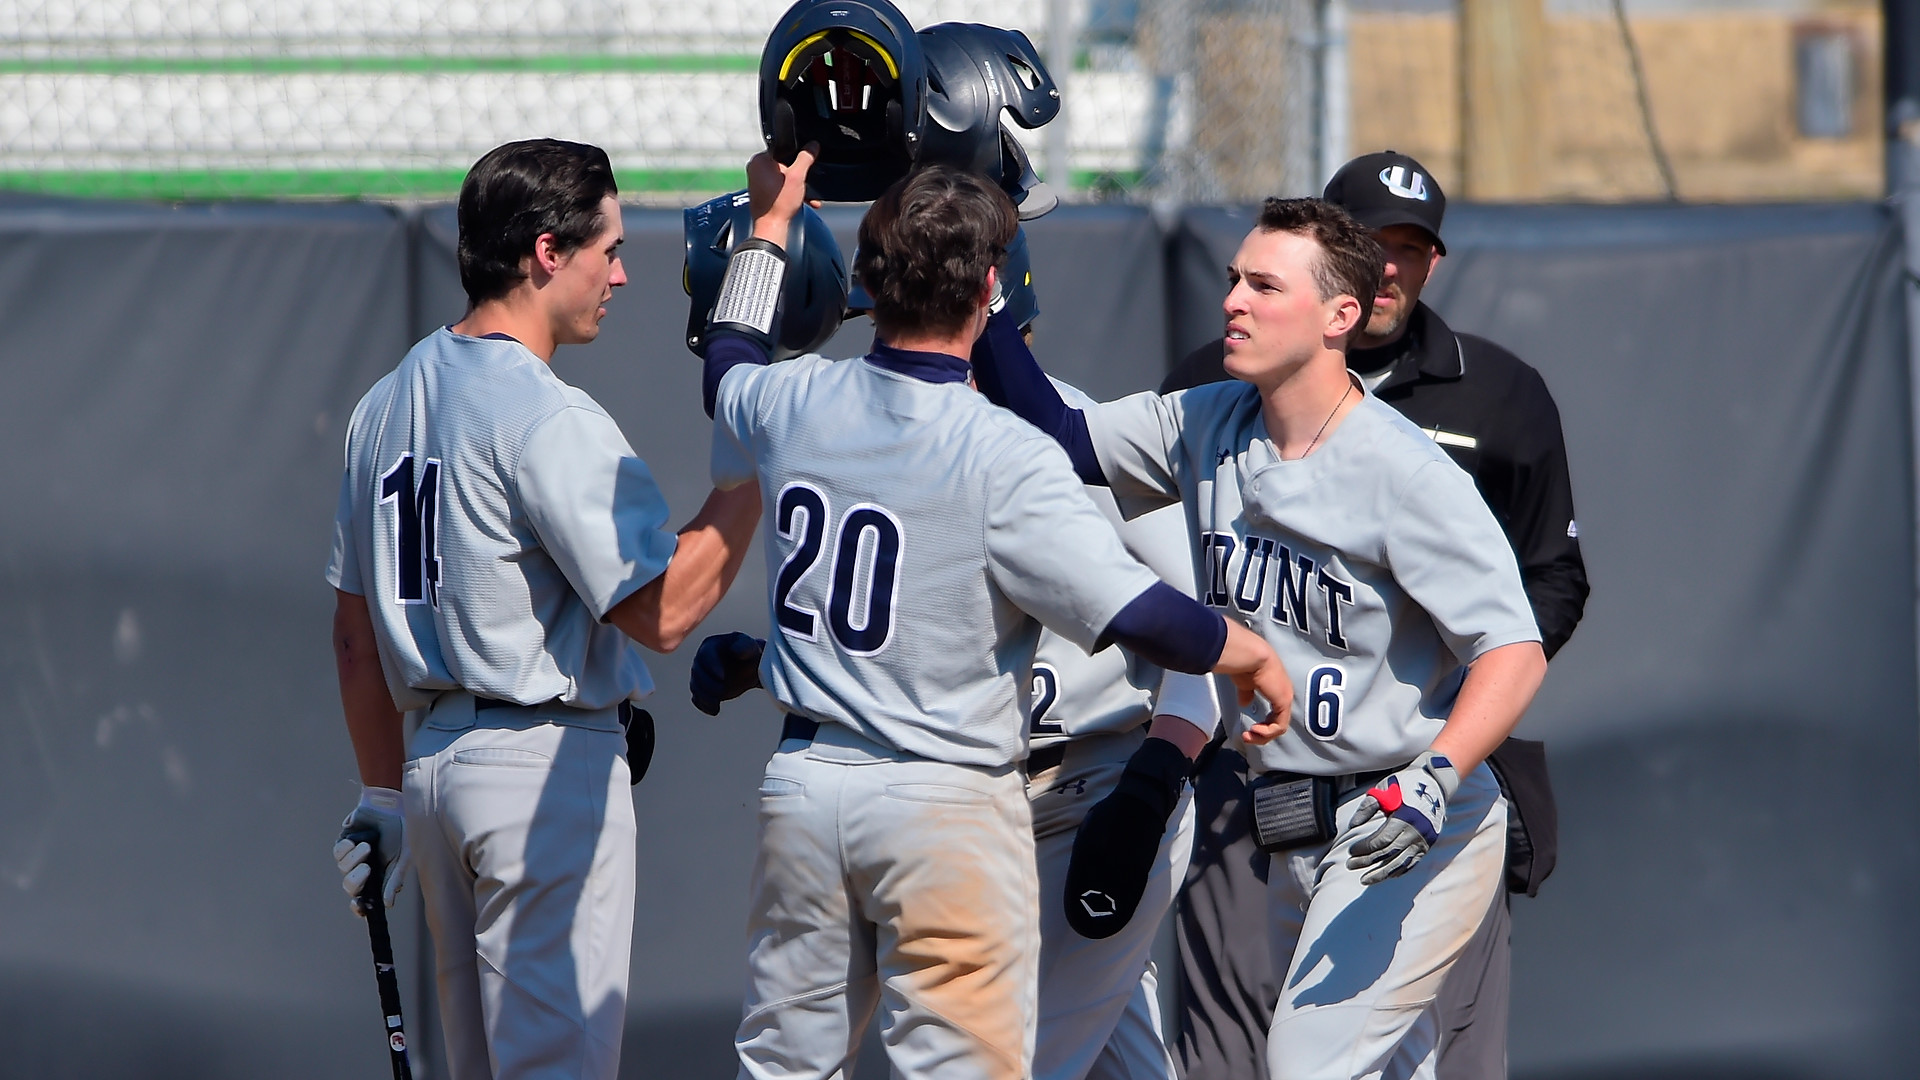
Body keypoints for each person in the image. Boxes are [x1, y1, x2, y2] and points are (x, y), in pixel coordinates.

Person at [690, 149, 1292, 1080]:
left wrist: (770, 228)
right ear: (989, 290)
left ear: (867, 280)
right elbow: (1139, 611)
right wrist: (1244, 650)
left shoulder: (796, 396)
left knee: (782, 1065)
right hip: (944, 799)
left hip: (809, 788)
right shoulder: (1007, 450)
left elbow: (729, 352)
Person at [970, 195, 1549, 1080]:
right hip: (1293, 819)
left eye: (1265, 285)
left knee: (1310, 1063)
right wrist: (991, 279)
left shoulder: (1403, 471)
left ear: (1338, 316)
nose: (1234, 299)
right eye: (1234, 279)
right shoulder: (1209, 419)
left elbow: (1513, 649)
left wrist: (1438, 777)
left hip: (1412, 817)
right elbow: (1061, 434)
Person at [326, 138, 763, 1080]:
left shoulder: (383, 401)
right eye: (606, 246)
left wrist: (381, 794)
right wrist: (752, 474)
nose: (623, 271)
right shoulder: (545, 413)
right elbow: (666, 611)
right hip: (539, 770)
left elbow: (356, 638)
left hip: (437, 771)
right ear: (545, 252)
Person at [1165, 150, 1588, 1080]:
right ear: (1339, 258)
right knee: (1233, 1058)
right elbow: (1147, 541)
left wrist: (1442, 694)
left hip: (1414, 780)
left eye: (1414, 248)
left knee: (1417, 1056)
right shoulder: (1220, 387)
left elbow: (1545, 590)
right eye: (1376, 243)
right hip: (1252, 773)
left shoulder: (1496, 393)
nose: (1395, 264)